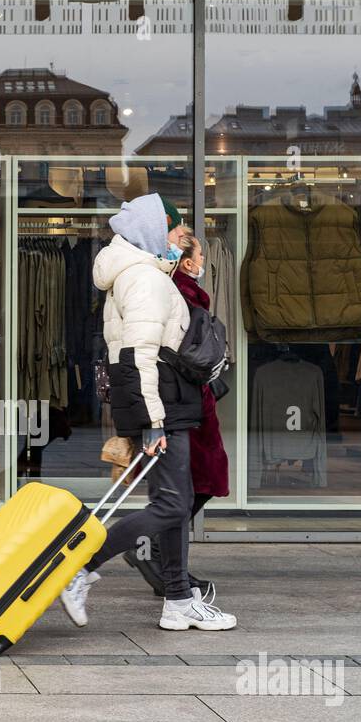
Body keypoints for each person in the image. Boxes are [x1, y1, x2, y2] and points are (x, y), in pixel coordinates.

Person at [58, 193, 237, 632]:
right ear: (153, 232)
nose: (180, 241)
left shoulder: (143, 273)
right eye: (175, 233)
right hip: (165, 406)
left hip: (169, 403)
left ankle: (178, 599)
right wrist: (153, 420)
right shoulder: (144, 279)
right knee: (172, 505)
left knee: (173, 502)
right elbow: (138, 355)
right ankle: (80, 566)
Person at [125, 232, 230, 601]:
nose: (203, 262)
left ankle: (171, 576)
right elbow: (173, 352)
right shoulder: (178, 293)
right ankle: (159, 564)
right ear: (188, 262)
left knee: (191, 488)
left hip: (187, 403)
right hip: (184, 405)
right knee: (188, 489)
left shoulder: (177, 289)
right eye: (200, 254)